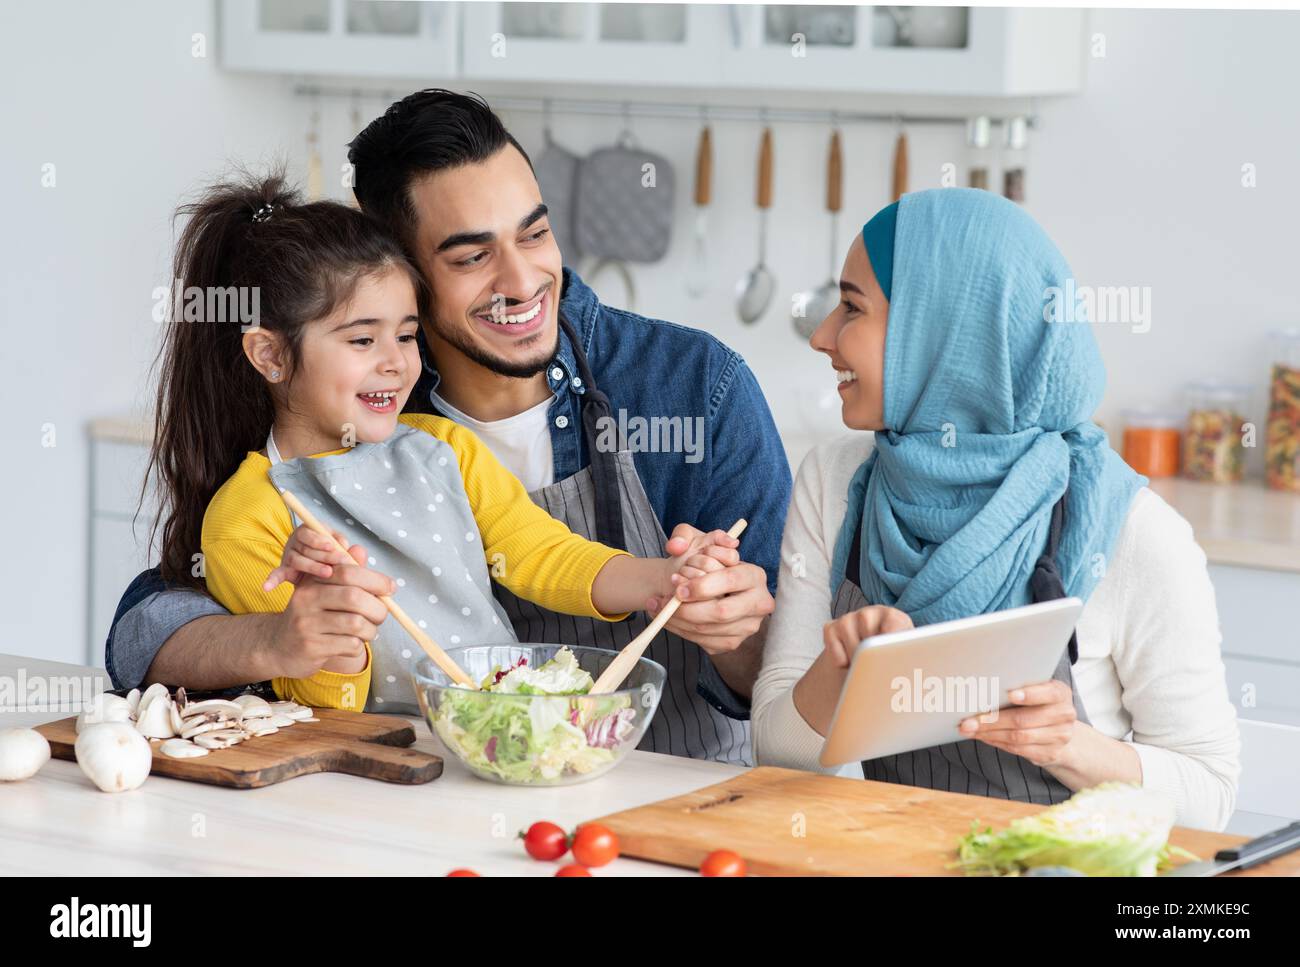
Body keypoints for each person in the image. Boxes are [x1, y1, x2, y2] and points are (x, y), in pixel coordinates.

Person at [107, 91, 791, 764]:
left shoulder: (695, 385)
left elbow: (790, 682)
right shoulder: (340, 421)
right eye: (470, 257)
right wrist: (291, 635)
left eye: (535, 232)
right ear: (405, 271)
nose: (523, 282)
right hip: (421, 784)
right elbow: (151, 621)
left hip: (674, 790)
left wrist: (695, 600)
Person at [159, 173, 744, 712]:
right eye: (362, 341)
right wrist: (324, 629)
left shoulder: (444, 448)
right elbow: (322, 706)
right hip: (380, 766)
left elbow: (541, 553)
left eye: (408, 336)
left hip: (497, 731)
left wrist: (659, 580)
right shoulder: (243, 521)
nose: (395, 363)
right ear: (271, 355)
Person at [752, 188, 1240, 830]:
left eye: (852, 307)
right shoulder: (836, 479)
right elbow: (776, 754)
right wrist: (844, 670)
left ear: (948, 330)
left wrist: (1070, 748)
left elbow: (1212, 792)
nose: (822, 336)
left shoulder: (1132, 534)